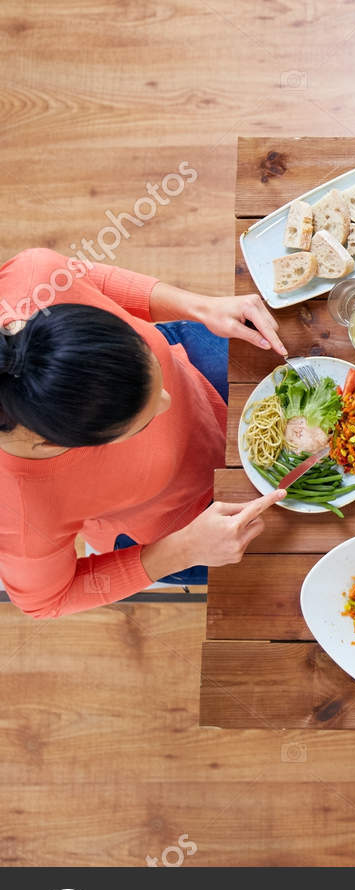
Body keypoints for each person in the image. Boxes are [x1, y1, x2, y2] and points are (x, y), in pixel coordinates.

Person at [0, 248, 286, 617]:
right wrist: (187, 548)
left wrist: (199, 307)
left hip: (196, 367)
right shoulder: (20, 513)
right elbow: (47, 600)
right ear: (59, 444)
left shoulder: (37, 278)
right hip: (180, 524)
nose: (167, 400)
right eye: (144, 420)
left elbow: (93, 280)